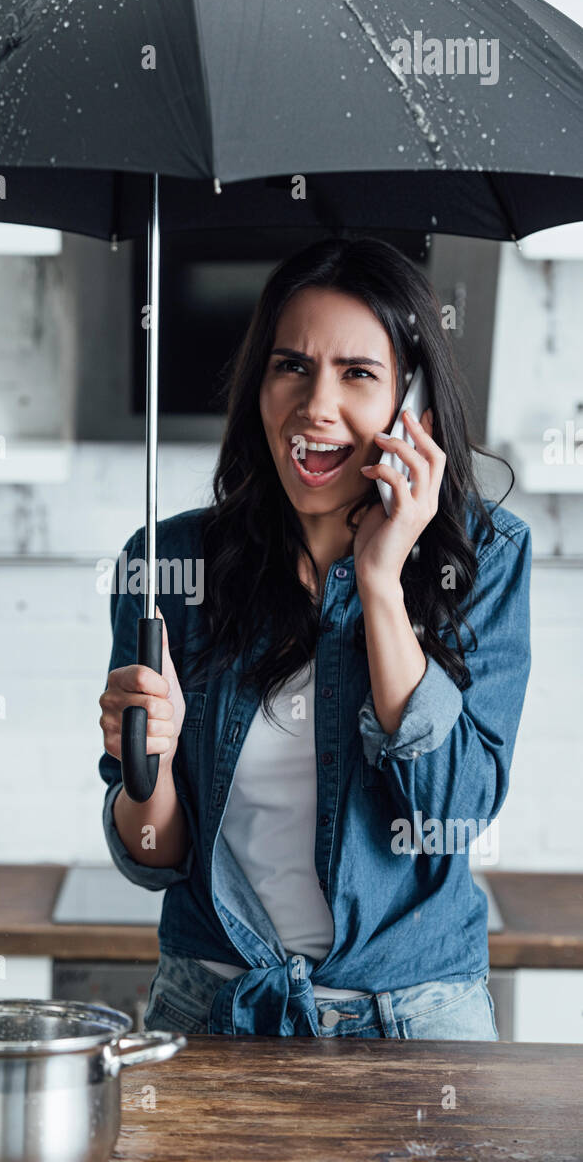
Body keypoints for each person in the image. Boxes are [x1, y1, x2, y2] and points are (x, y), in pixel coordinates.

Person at [98, 237, 531, 1039]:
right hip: (212, 1011)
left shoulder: (486, 559)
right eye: (289, 366)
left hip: (414, 1021)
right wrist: (146, 766)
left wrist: (378, 582)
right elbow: (153, 856)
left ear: (415, 412)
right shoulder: (166, 566)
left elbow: (453, 811)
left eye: (357, 374)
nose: (314, 405)